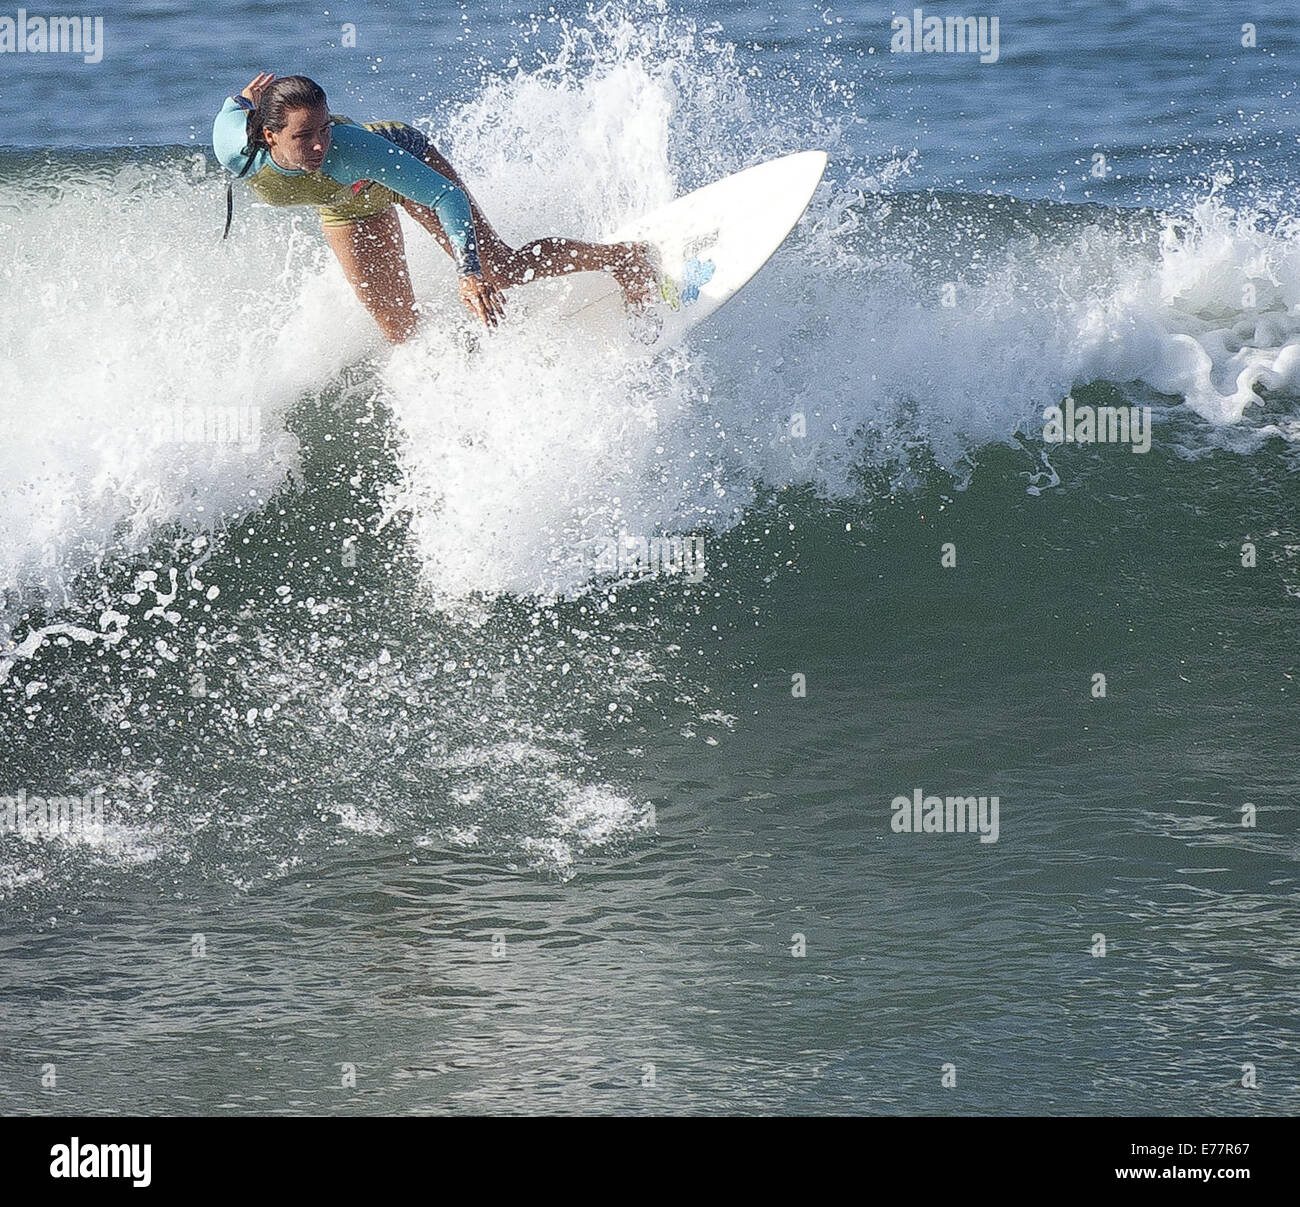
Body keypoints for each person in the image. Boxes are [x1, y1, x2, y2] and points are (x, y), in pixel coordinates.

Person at [213, 73, 655, 342]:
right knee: (398, 329)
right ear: (270, 136)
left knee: (497, 269)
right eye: (303, 136)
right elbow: (230, 111)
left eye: (325, 129)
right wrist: (244, 97)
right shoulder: (237, 152)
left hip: (400, 165)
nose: (318, 144)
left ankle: (623, 259)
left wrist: (469, 273)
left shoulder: (351, 150)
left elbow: (446, 197)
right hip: (346, 204)